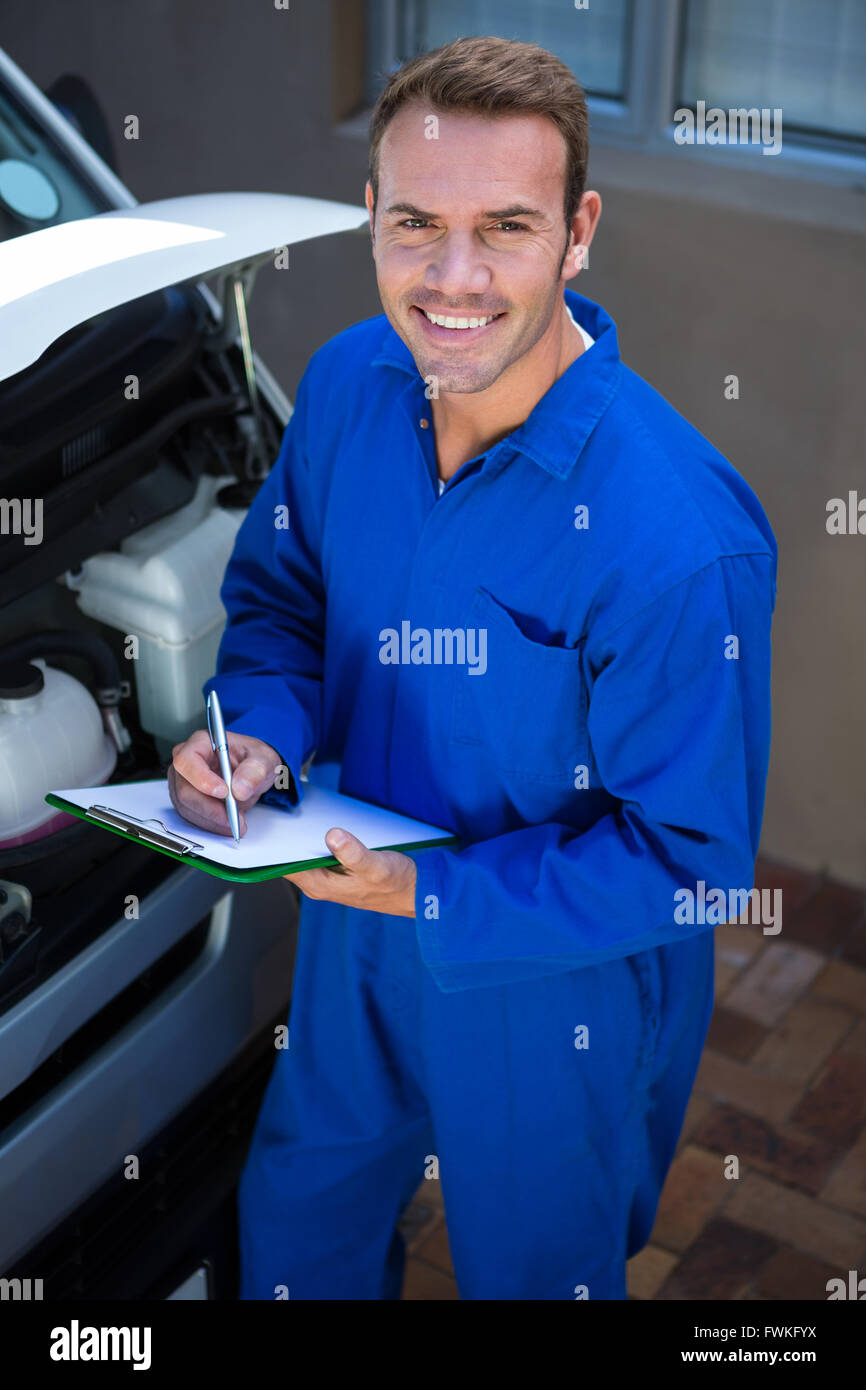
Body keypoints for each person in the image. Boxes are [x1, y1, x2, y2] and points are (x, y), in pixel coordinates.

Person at [169, 35, 776, 1300]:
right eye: (413, 225)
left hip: (558, 987)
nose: (451, 278)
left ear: (577, 231)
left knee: (532, 1278)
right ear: (371, 220)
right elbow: (282, 598)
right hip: (354, 932)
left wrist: (429, 897)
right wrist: (263, 734)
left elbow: (687, 863)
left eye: (504, 225)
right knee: (299, 1229)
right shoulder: (344, 385)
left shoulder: (677, 543)